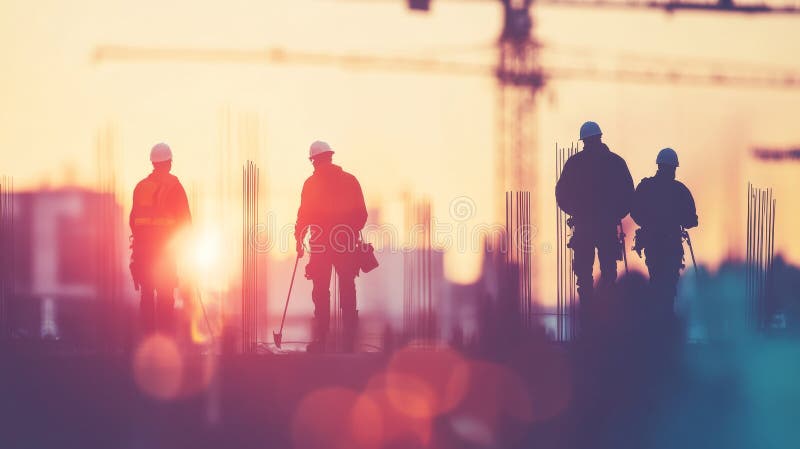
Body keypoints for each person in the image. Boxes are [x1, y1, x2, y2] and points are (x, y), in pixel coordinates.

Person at [295, 141, 368, 353]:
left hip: (320, 246)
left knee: (320, 292)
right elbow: (361, 215)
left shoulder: (311, 184)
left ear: (314, 161)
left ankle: (321, 339)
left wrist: (299, 240)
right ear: (330, 157)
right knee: (348, 289)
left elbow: (304, 216)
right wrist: (348, 232)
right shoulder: (350, 180)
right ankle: (349, 341)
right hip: (345, 245)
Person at [556, 121, 634, 304]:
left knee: (585, 277)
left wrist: (575, 212)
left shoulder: (574, 164)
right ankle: (607, 310)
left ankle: (588, 312)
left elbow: (561, 193)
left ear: (584, 141)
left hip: (585, 227)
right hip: (605, 226)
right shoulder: (615, 162)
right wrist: (616, 214)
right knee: (608, 274)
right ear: (599, 137)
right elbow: (629, 194)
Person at [129, 143, 192, 334]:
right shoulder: (174, 187)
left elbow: (133, 220)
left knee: (147, 295)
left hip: (142, 253)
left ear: (153, 163)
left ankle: (148, 338)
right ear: (169, 162)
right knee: (165, 296)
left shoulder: (140, 187)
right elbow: (185, 221)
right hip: (164, 254)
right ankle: (164, 339)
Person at [631, 148, 698, 312]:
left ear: (659, 165)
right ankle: (665, 317)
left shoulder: (646, 187)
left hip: (653, 245)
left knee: (656, 282)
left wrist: (648, 223)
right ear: (673, 168)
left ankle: (657, 317)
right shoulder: (679, 190)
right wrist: (677, 219)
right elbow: (691, 220)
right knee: (668, 286)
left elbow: (635, 211)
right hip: (671, 246)